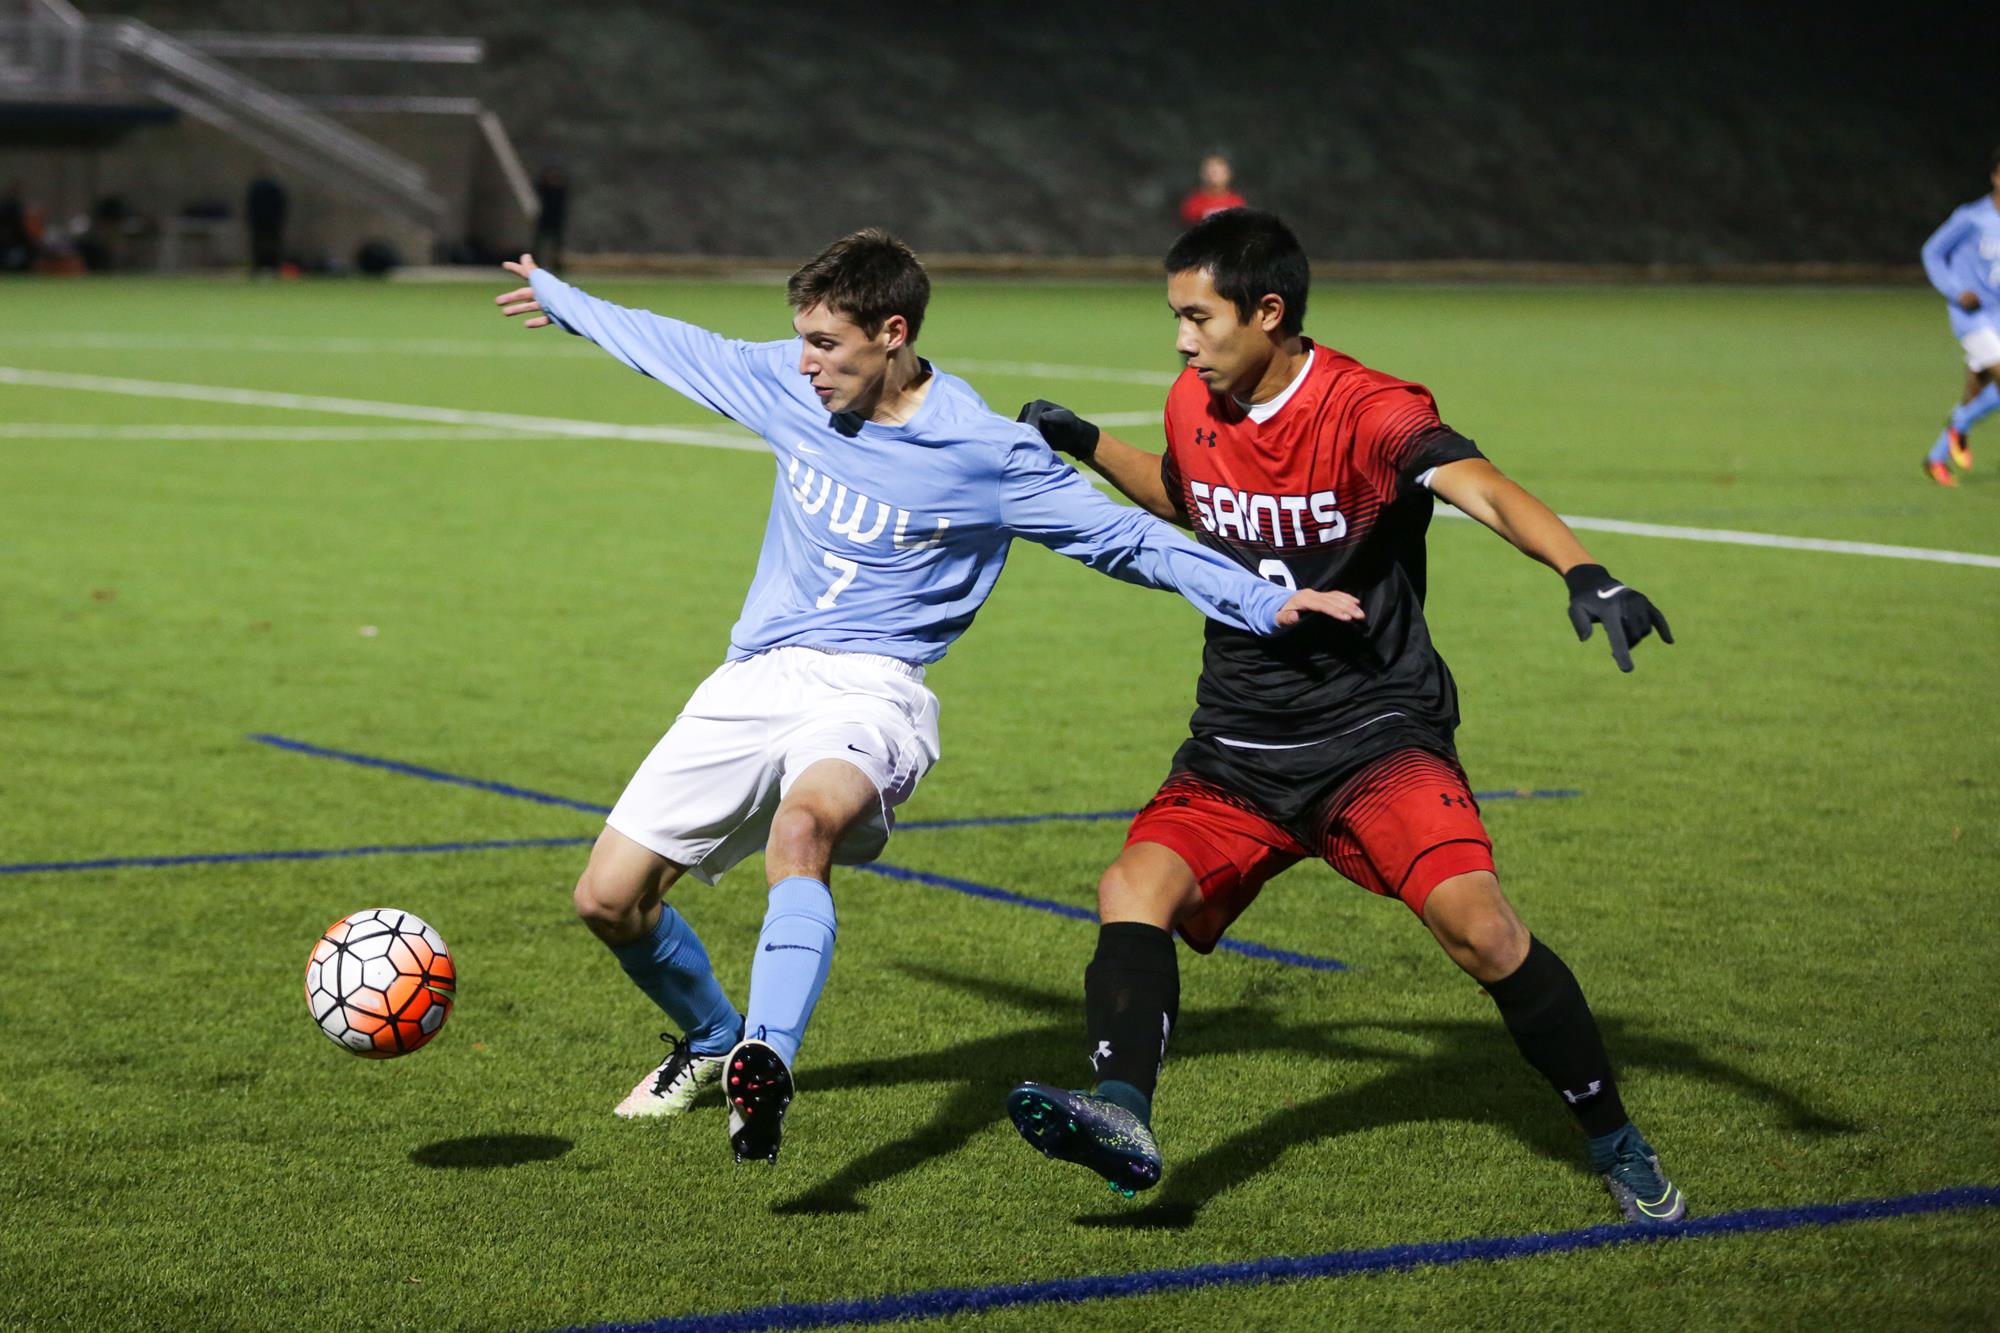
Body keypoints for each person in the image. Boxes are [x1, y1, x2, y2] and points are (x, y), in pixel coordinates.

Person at [491, 228, 1363, 1165]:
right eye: (802, 339)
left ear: (893, 331)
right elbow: (678, 348)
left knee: (803, 829)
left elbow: (1129, 540)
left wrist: (1267, 599)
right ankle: (714, 1037)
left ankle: (765, 1063)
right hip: (755, 678)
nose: (806, 362)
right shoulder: (792, 387)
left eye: (827, 343)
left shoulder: (989, 453)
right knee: (608, 899)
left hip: (872, 693)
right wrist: (566, 300)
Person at [1005, 209, 1684, 1225]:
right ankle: (1120, 1114)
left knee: (1482, 931)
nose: (1181, 340)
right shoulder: (1197, 398)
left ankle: (1615, 1141)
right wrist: (1090, 443)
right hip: (1236, 740)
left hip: (1373, 735)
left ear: (1267, 311)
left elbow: (1482, 490)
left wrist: (1583, 570)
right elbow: (1193, 500)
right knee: (1131, 886)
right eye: (1174, 319)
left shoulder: (1367, 409)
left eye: (1197, 317)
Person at [1919, 148, 2000, 487]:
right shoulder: (1972, 217)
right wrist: (1955, 290)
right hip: (1974, 318)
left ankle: (1937, 457)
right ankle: (1959, 425)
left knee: (1975, 393)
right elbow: (1932, 252)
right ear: (1995, 177)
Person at [1178, 154, 1246, 226]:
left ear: (1228, 174)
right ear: (1202, 174)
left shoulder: (1236, 202)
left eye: (1219, 172)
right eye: (1211, 171)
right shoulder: (1192, 203)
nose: (1214, 176)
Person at [245, 168, 287, 276]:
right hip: (265, 221)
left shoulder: (273, 189)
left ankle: (272, 267)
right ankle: (261, 266)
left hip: (268, 221)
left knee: (270, 244)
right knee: (260, 244)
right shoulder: (265, 189)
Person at [531, 166, 569, 271]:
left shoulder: (559, 191)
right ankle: (535, 262)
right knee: (539, 243)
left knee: (556, 245)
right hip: (545, 219)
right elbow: (539, 187)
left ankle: (556, 264)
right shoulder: (546, 190)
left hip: (556, 220)